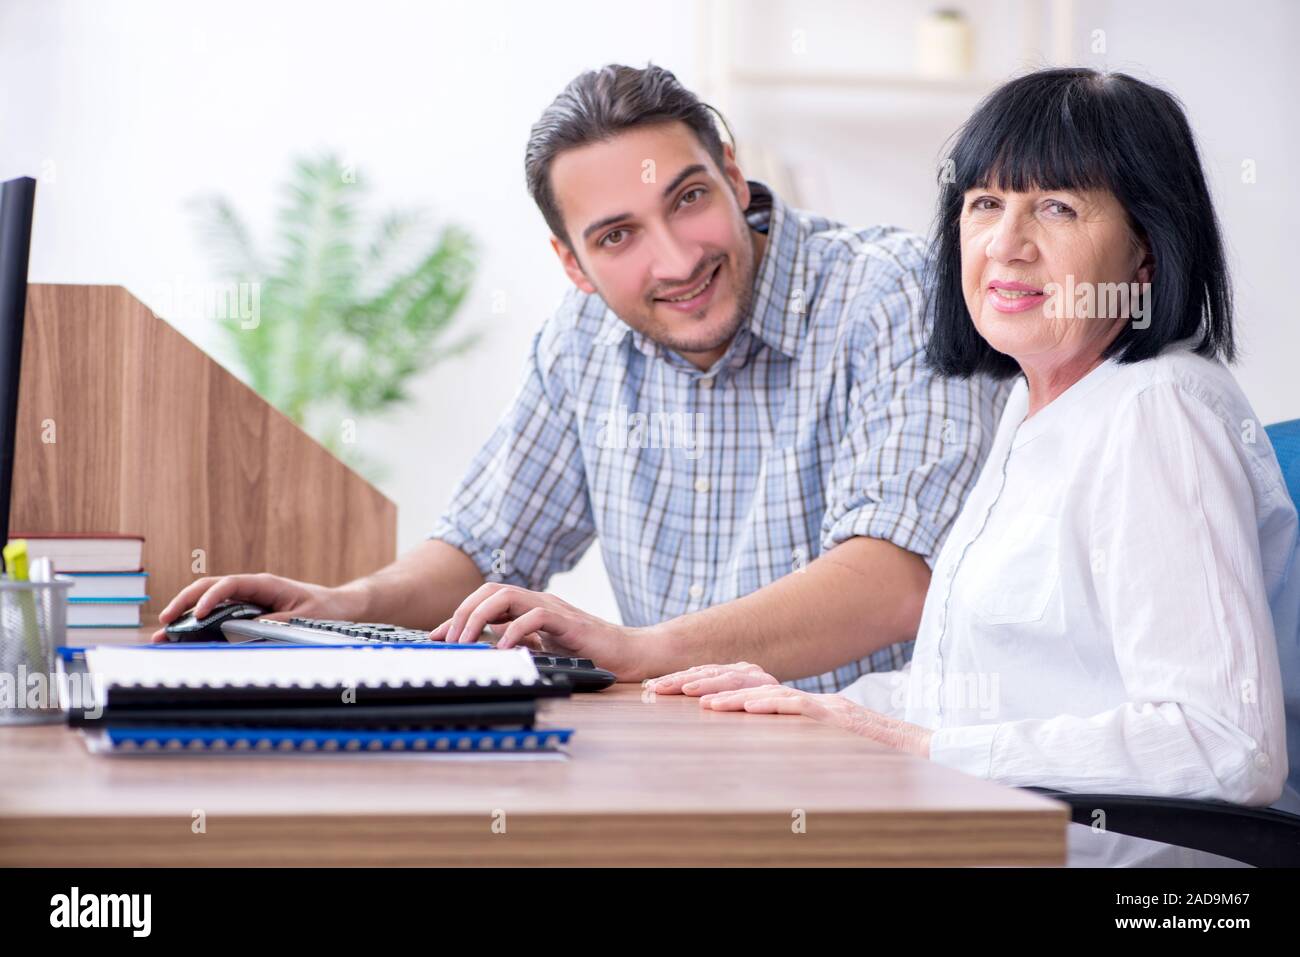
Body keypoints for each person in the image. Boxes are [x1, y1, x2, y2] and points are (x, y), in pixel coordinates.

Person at [155, 64, 1006, 694]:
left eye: (688, 198)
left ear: (733, 174)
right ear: (571, 262)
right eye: (616, 236)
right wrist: (338, 604)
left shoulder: (889, 290)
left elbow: (894, 583)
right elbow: (484, 547)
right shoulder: (584, 335)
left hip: (866, 777)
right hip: (684, 764)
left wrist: (638, 648)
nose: (676, 259)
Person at [646, 67, 1298, 867]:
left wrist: (922, 748)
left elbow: (1225, 744)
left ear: (1148, 253)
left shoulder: (1158, 410)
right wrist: (803, 710)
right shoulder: (1037, 405)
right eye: (984, 203)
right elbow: (977, 692)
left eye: (1057, 206)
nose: (1005, 243)